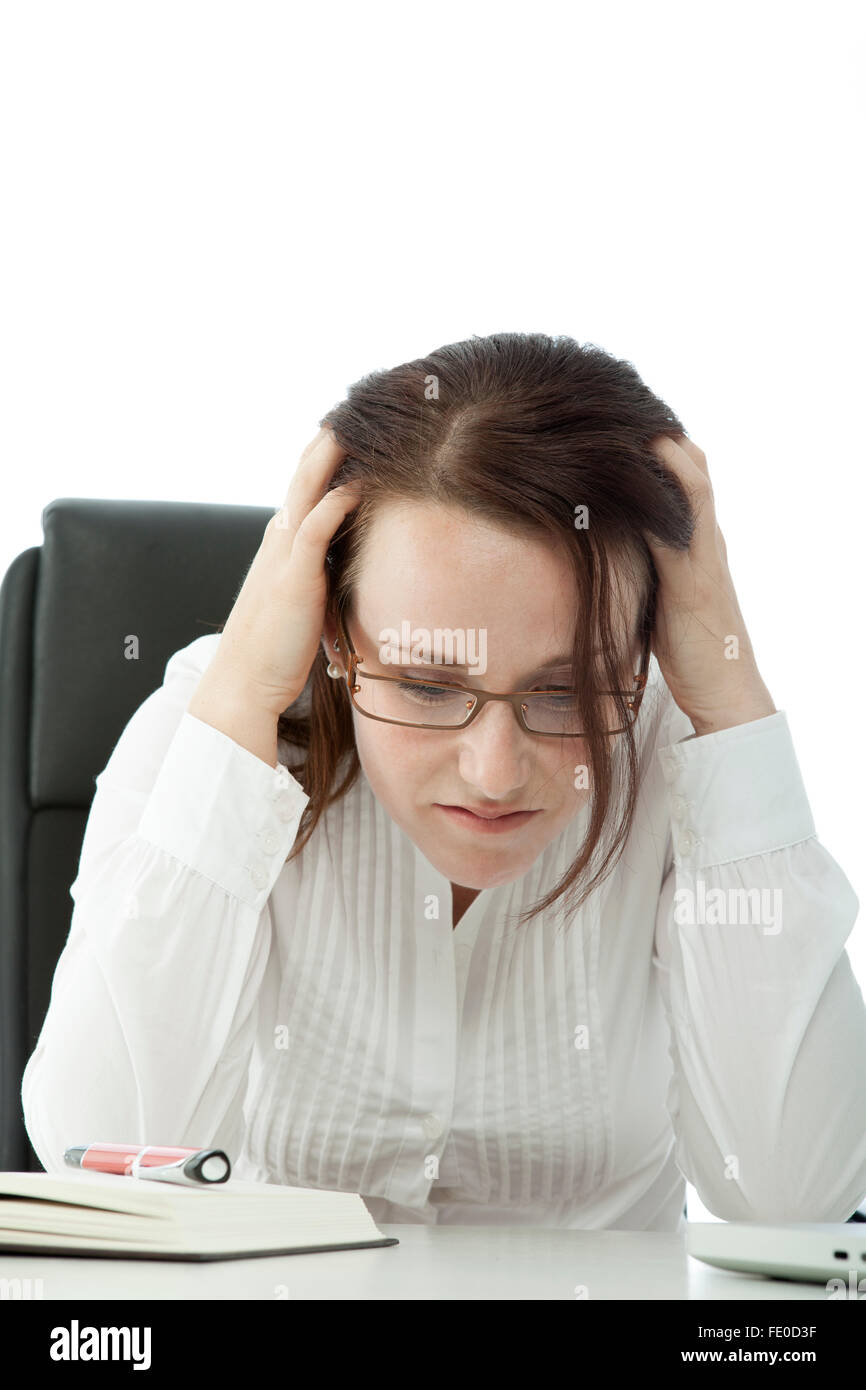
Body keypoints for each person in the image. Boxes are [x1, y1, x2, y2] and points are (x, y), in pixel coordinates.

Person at [21, 332, 866, 1231]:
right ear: (337, 635)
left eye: (565, 688)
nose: (495, 773)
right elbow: (103, 1168)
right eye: (427, 685)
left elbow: (798, 1198)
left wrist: (731, 701)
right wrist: (241, 703)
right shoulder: (220, 718)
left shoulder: (672, 738)